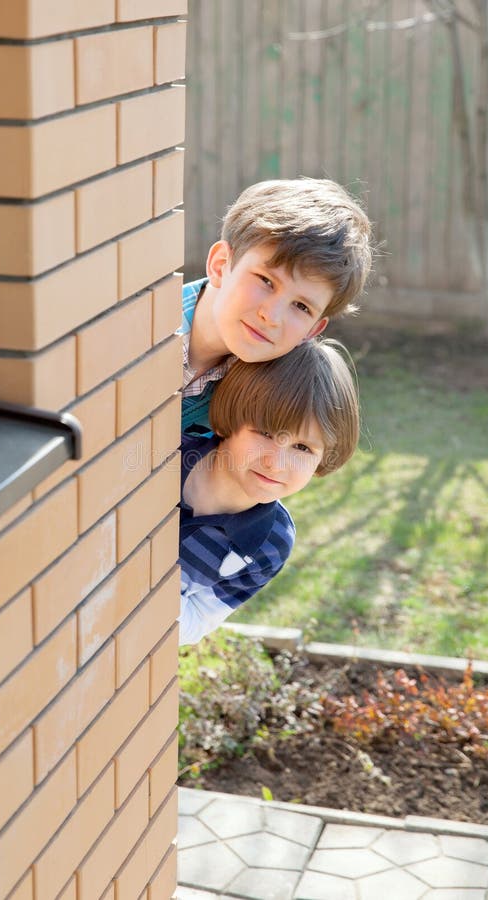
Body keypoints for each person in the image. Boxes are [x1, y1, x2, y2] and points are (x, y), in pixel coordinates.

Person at [179, 338, 359, 645]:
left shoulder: (269, 544)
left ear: (322, 459)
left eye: (302, 447)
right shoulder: (166, 457)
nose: (275, 463)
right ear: (230, 421)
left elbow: (197, 622)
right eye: (265, 433)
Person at [181, 177, 372, 435]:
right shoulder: (135, 323)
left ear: (311, 331)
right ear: (220, 264)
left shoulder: (265, 394)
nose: (271, 316)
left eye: (302, 307)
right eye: (266, 281)